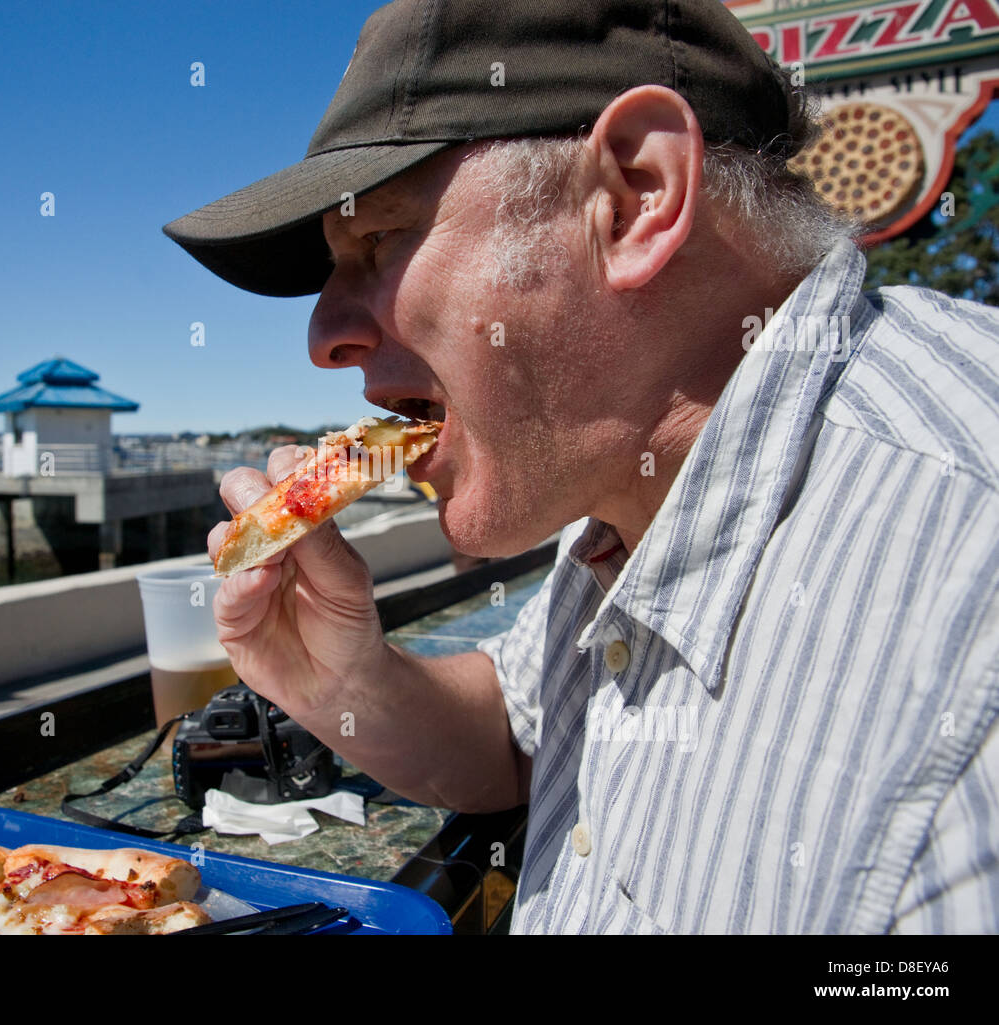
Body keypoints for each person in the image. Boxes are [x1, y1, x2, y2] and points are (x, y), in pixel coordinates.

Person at [163, 0, 999, 933]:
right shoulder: (626, 487)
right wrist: (341, 682)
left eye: (380, 240)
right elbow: (517, 739)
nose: (323, 337)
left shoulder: (966, 629)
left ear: (637, 193)